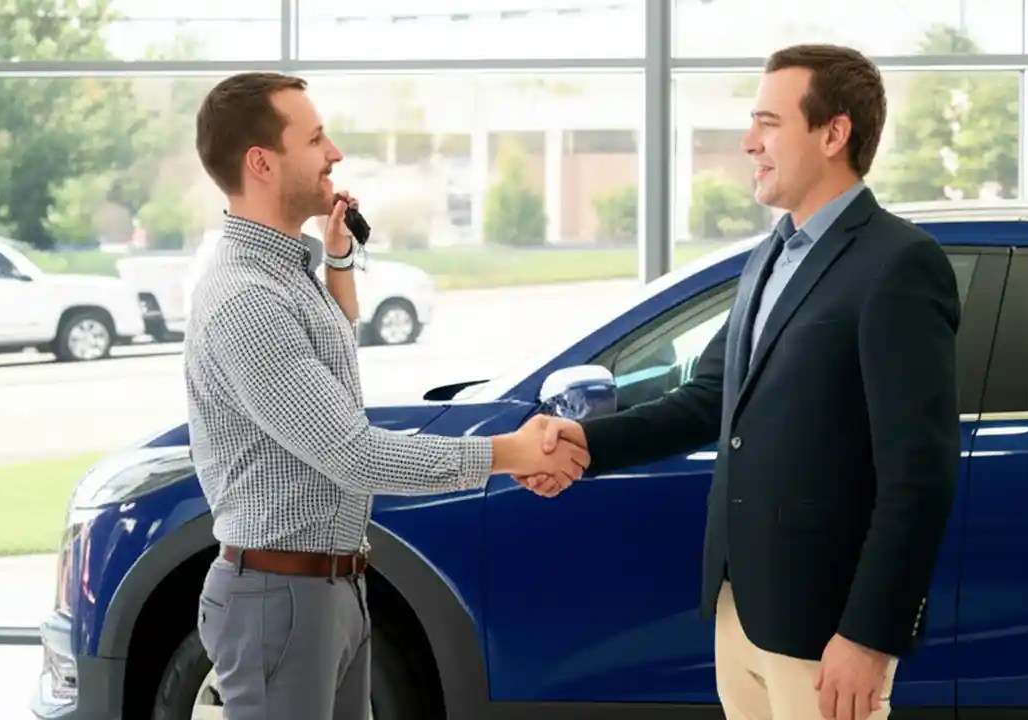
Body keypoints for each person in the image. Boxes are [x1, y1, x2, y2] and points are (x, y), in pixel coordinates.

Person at [523, 45, 961, 720]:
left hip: (826, 626)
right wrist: (588, 442)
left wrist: (871, 635)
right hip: (745, 608)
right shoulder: (770, 255)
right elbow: (709, 400)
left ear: (833, 133)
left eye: (768, 123)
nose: (748, 142)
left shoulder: (898, 263)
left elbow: (919, 474)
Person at [183, 72, 589, 720]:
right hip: (281, 599)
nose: (335, 153)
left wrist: (339, 263)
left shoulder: (287, 274)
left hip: (328, 589)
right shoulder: (246, 300)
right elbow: (354, 454)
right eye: (315, 139)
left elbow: (329, 368)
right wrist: (510, 453)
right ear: (261, 163)